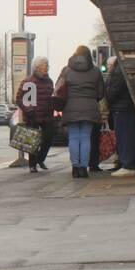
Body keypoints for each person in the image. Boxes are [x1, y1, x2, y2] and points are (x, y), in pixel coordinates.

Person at [54, 45, 105, 179]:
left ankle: (75, 168)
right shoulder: (95, 71)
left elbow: (58, 89)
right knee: (85, 138)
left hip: (71, 108)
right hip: (90, 108)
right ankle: (83, 168)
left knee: (74, 138)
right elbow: (101, 93)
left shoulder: (66, 70)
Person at [14, 56, 55, 173]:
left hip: (47, 116)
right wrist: (28, 110)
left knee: (48, 137)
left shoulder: (49, 81)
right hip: (33, 116)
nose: (47, 68)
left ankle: (40, 159)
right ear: (37, 68)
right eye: (45, 66)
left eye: (47, 65)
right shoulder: (28, 82)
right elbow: (19, 99)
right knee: (33, 141)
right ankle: (32, 165)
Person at [106, 57, 135, 177]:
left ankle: (127, 165)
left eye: (108, 66)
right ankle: (131, 164)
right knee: (129, 136)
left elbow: (114, 90)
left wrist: (108, 98)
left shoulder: (118, 70)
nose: (108, 68)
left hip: (122, 108)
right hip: (127, 107)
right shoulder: (121, 66)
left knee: (125, 137)